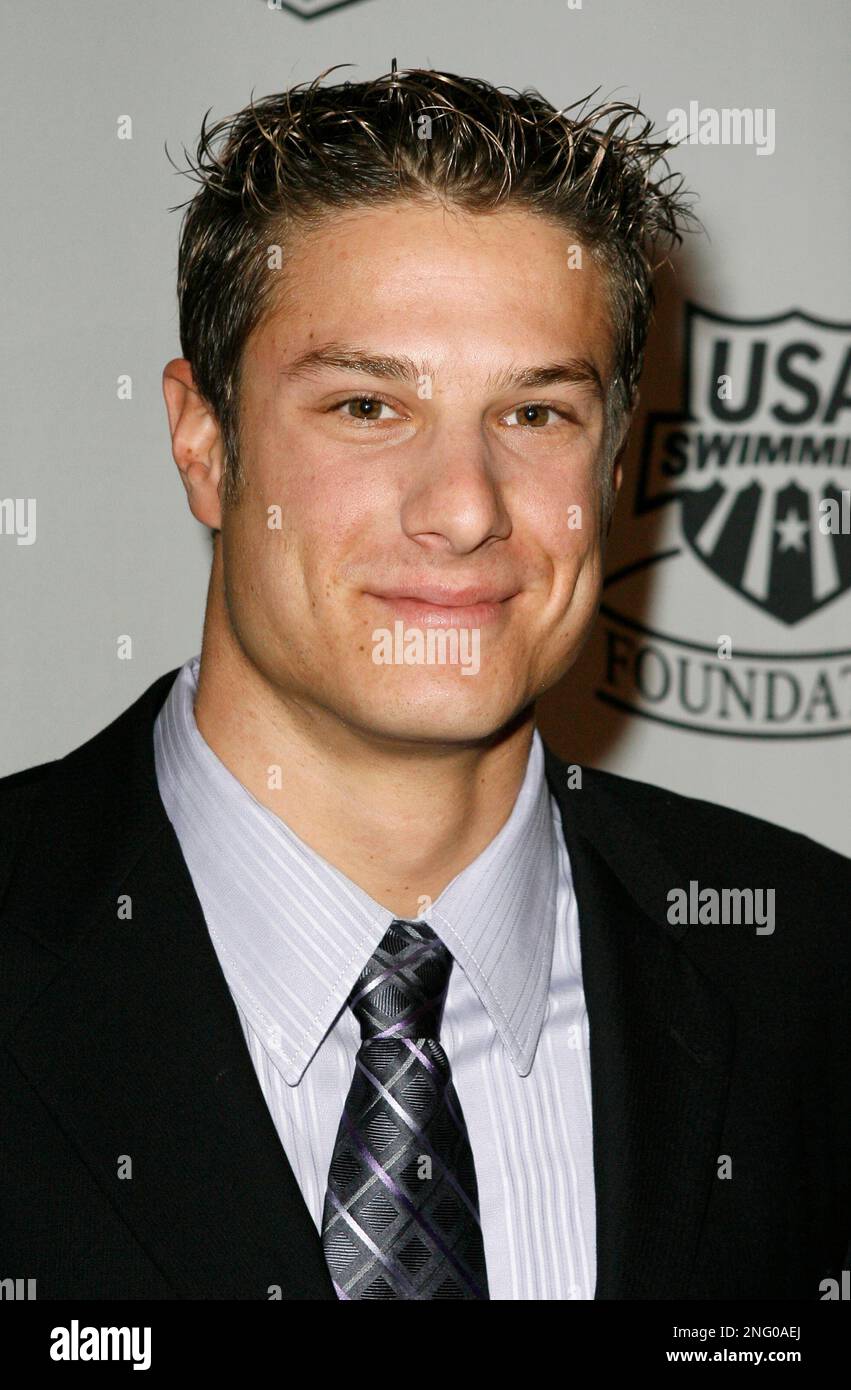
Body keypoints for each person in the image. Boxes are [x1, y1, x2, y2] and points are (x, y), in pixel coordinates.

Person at [1, 65, 848, 1302]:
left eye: (535, 415)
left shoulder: (811, 973)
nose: (462, 508)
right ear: (204, 443)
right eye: (366, 404)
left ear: (611, 459)